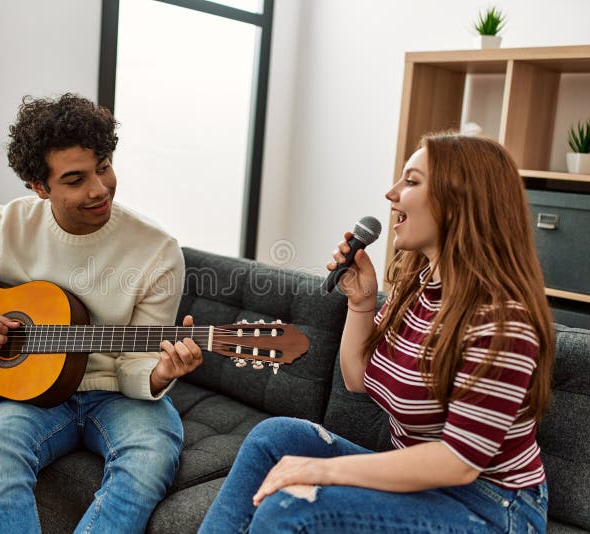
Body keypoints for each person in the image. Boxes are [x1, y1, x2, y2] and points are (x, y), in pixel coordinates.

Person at [0, 93, 203, 533]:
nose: (99, 189)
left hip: (118, 396)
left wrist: (160, 374)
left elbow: (134, 366)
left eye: (103, 166)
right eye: (75, 179)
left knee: (153, 453)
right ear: (39, 187)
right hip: (30, 396)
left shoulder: (157, 251)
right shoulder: (5, 227)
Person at [198, 132, 553, 533]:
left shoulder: (502, 321)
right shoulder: (417, 288)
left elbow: (458, 462)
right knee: (275, 438)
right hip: (426, 487)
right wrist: (361, 301)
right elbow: (355, 378)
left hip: (493, 505)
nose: (391, 193)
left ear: (461, 200)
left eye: (412, 181)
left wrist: (321, 471)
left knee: (291, 508)